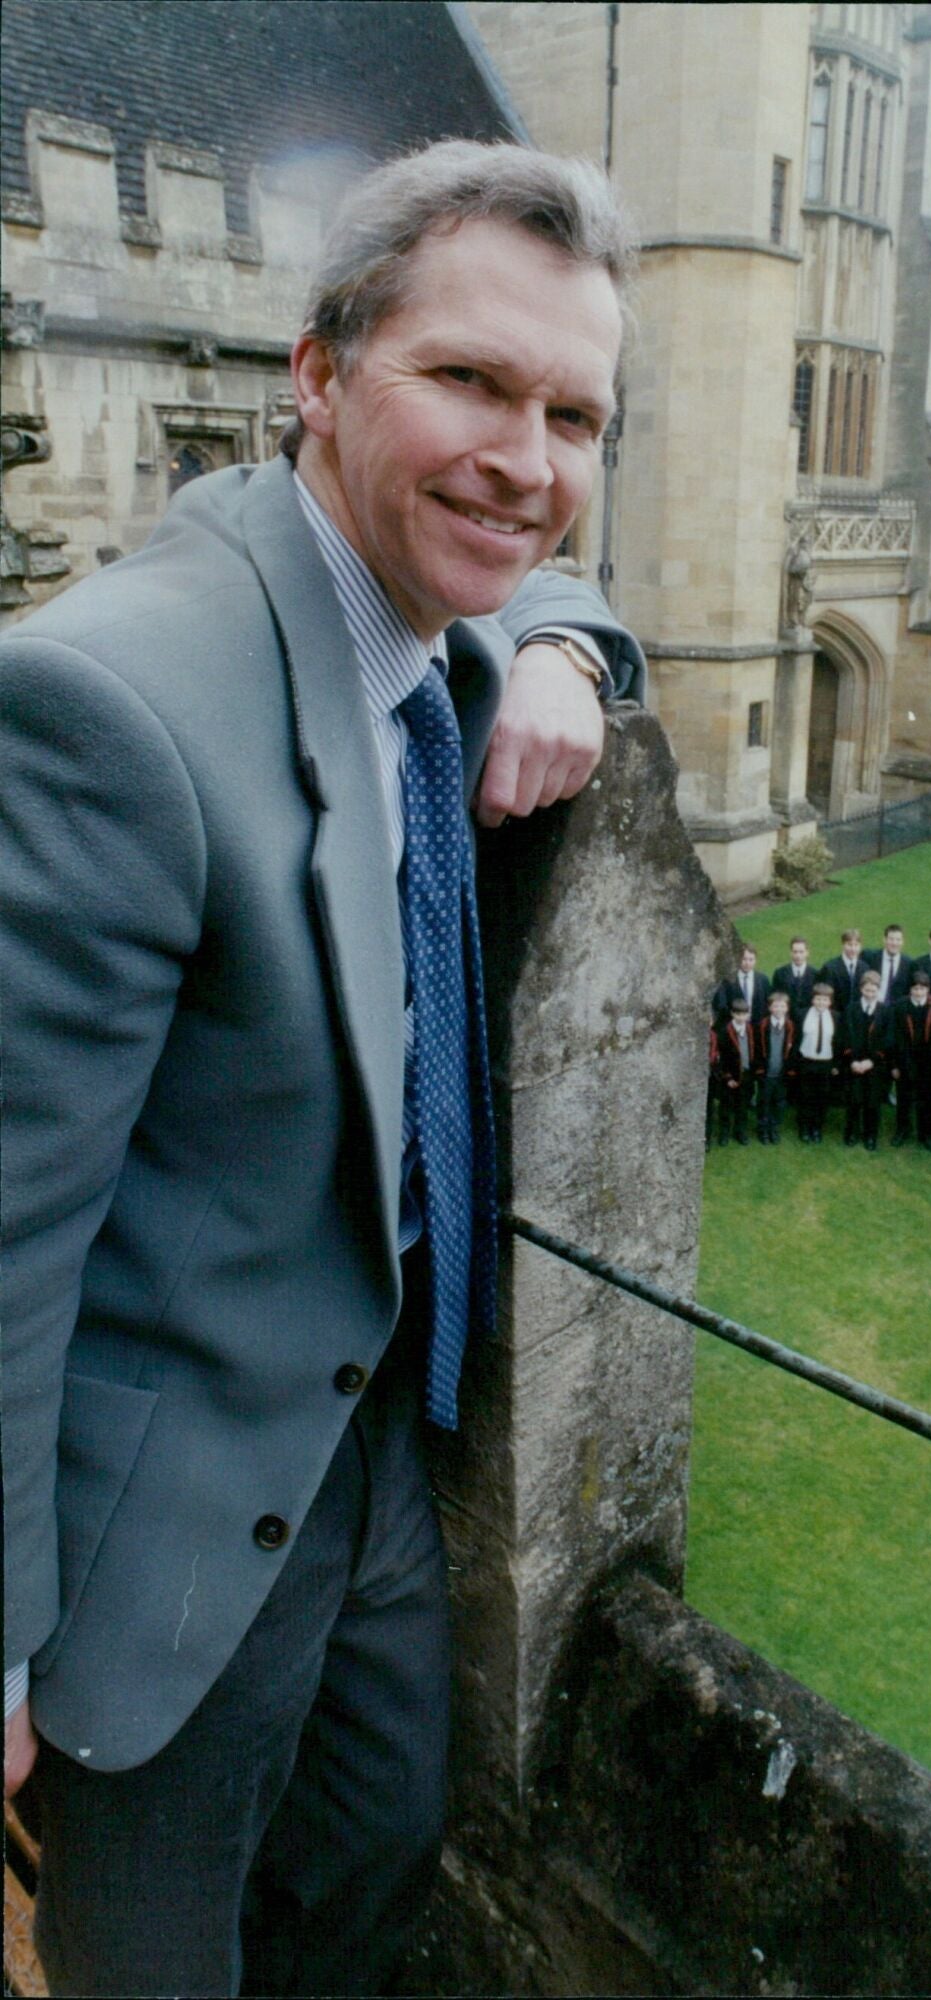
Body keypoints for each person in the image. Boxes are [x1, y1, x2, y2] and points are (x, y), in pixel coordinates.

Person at [2, 140, 646, 1999]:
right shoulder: (110, 706)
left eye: (572, 412)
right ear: (317, 370)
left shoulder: (411, 614)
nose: (525, 455)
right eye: (466, 379)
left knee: (373, 1853)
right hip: (168, 1505)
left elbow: (528, 550)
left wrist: (554, 649)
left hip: (376, 1440)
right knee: (157, 1955)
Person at [891, 968, 931, 1150]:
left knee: (927, 1100)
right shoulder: (900, 1007)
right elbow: (896, 1037)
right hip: (905, 1060)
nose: (919, 992)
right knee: (904, 1098)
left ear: (928, 990)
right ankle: (902, 1130)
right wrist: (897, 1064)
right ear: (910, 989)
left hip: (929, 1063)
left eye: (923, 988)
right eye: (915, 988)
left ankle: (926, 1134)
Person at [840, 969, 891, 1151]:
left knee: (872, 1102)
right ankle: (851, 1132)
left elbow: (887, 1040)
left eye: (873, 991)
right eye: (867, 990)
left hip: (874, 1066)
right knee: (854, 1100)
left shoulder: (885, 1011)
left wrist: (872, 1061)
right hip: (854, 1064)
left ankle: (870, 1135)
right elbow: (844, 1037)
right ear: (861, 989)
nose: (870, 994)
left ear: (878, 990)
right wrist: (853, 1061)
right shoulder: (851, 1009)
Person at [794, 981, 840, 1142]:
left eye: (825, 1000)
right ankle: (804, 1128)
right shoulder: (802, 1014)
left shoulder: (835, 1017)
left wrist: (835, 1065)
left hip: (825, 1062)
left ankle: (817, 1128)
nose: (821, 1003)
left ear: (830, 1001)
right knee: (806, 1096)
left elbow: (838, 1043)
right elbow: (795, 1039)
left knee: (822, 1097)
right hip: (806, 1061)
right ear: (813, 999)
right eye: (818, 999)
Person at [710, 996, 757, 1145]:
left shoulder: (751, 1029)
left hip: (746, 1075)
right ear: (732, 1014)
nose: (741, 1017)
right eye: (738, 1014)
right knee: (726, 1106)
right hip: (730, 1077)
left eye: (744, 1014)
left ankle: (740, 1132)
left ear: (748, 1014)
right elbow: (720, 1058)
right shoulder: (724, 1032)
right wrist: (728, 1078)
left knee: (742, 1106)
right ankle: (724, 1133)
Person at [754, 990, 798, 1144]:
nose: (779, 1009)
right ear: (770, 1008)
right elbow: (757, 1049)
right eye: (775, 1006)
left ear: (787, 1008)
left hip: (782, 1073)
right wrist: (759, 1070)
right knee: (764, 1102)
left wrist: (790, 1071)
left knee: (779, 1102)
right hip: (766, 1073)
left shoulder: (791, 1026)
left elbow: (793, 1051)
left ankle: (774, 1128)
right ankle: (763, 1130)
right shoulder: (762, 1025)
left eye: (782, 1006)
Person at [711, 942, 769, 1029]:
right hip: (733, 1027)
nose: (747, 963)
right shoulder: (727, 980)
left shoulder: (763, 980)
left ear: (755, 960)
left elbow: (767, 1004)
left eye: (751, 959)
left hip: (757, 1027)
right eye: (744, 959)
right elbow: (722, 1005)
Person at [861, 923, 913, 1005]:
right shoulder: (870, 957)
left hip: (896, 1010)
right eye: (891, 939)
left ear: (903, 942)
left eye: (898, 940)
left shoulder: (909, 963)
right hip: (874, 1006)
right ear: (884, 939)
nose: (894, 943)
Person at [820, 928, 866, 1014]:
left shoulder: (864, 968)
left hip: (857, 1016)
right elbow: (826, 995)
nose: (853, 949)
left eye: (856, 945)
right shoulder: (830, 968)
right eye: (849, 945)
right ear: (843, 945)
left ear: (860, 946)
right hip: (836, 1015)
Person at [772, 935, 817, 1017]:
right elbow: (775, 997)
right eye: (795, 952)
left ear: (807, 952)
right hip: (786, 1018)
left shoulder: (815, 974)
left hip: (808, 1017)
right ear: (790, 953)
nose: (798, 955)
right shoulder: (780, 973)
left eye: (801, 952)